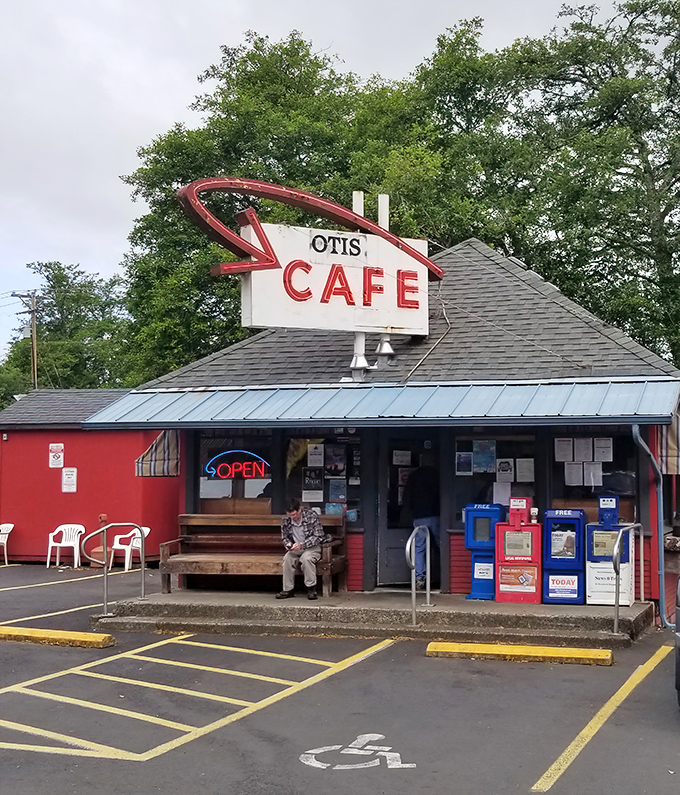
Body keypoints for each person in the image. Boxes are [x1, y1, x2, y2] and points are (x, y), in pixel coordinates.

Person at [276, 498, 329, 600]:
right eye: (290, 515)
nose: (293, 518)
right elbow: (285, 537)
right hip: (296, 547)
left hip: (312, 546)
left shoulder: (311, 516)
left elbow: (319, 536)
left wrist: (302, 545)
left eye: (294, 515)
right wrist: (288, 544)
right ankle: (288, 589)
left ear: (299, 510)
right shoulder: (286, 520)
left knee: (306, 559)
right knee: (287, 559)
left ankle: (311, 589)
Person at [403, 453, 440, 590]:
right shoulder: (438, 475)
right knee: (441, 546)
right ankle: (444, 576)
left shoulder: (414, 476)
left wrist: (408, 513)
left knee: (419, 548)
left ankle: (420, 578)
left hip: (419, 516)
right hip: (437, 515)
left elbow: (407, 497)